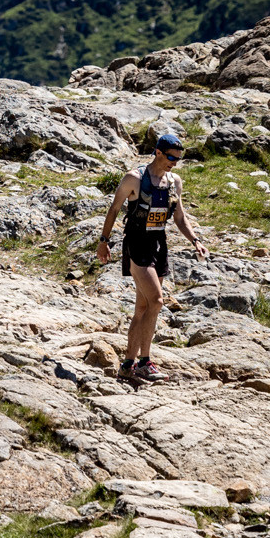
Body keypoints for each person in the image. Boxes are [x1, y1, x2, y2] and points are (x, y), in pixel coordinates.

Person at [94, 133, 207, 382]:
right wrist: (103, 242)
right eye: (170, 157)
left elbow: (179, 216)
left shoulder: (174, 181)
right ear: (157, 152)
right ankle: (144, 362)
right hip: (136, 242)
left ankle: (127, 365)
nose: (174, 163)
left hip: (159, 244)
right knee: (156, 301)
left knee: (143, 307)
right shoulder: (134, 178)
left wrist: (195, 240)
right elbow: (114, 209)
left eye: (177, 159)